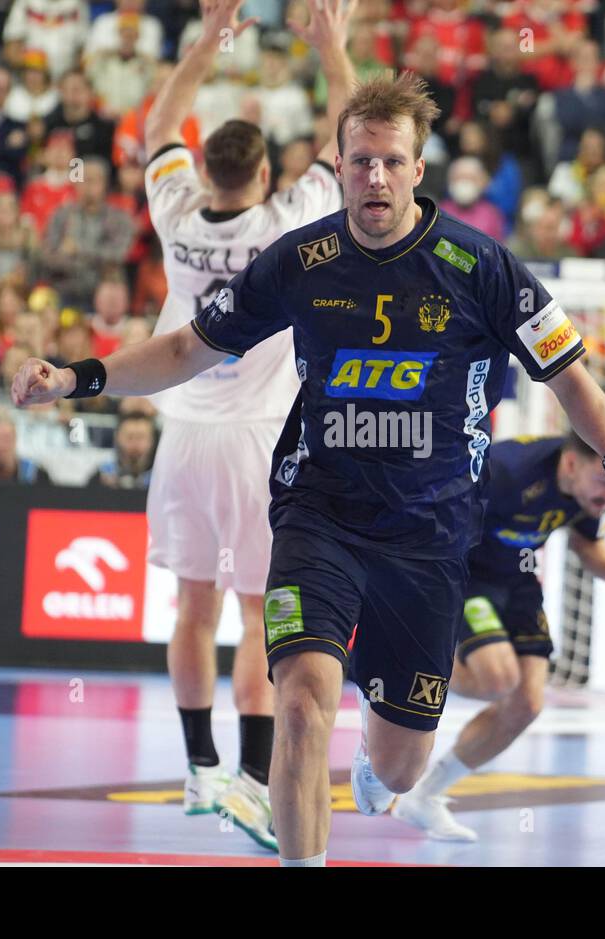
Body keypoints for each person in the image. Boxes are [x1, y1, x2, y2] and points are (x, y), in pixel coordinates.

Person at [13, 55, 605, 866]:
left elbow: (571, 378)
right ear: (337, 166)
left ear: (418, 168)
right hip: (316, 512)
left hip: (429, 533)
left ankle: (376, 757)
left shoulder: (483, 268)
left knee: (401, 763)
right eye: (360, 159)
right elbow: (189, 346)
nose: (376, 176)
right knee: (299, 702)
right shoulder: (299, 261)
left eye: (392, 160)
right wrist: (76, 378)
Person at [132, 0, 355, 853]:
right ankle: (255, 787)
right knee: (265, 617)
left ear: (208, 173)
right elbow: (347, 142)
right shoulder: (286, 226)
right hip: (260, 435)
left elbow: (158, 123)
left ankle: (198, 769)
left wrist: (208, 37)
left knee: (192, 609)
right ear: (263, 177)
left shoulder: (176, 218)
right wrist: (331, 44)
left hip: (183, 429)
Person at [393, 434, 605, 840]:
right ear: (570, 465)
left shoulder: (589, 492)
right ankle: (397, 678)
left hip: (518, 583)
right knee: (496, 679)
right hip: (466, 576)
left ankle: (424, 797)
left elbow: (587, 545)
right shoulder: (508, 471)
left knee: (526, 703)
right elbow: (434, 521)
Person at [89, 411, 156, 488]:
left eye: (140, 437)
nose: (135, 444)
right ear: (117, 438)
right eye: (129, 437)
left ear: (152, 440)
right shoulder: (101, 478)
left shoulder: (161, 479)